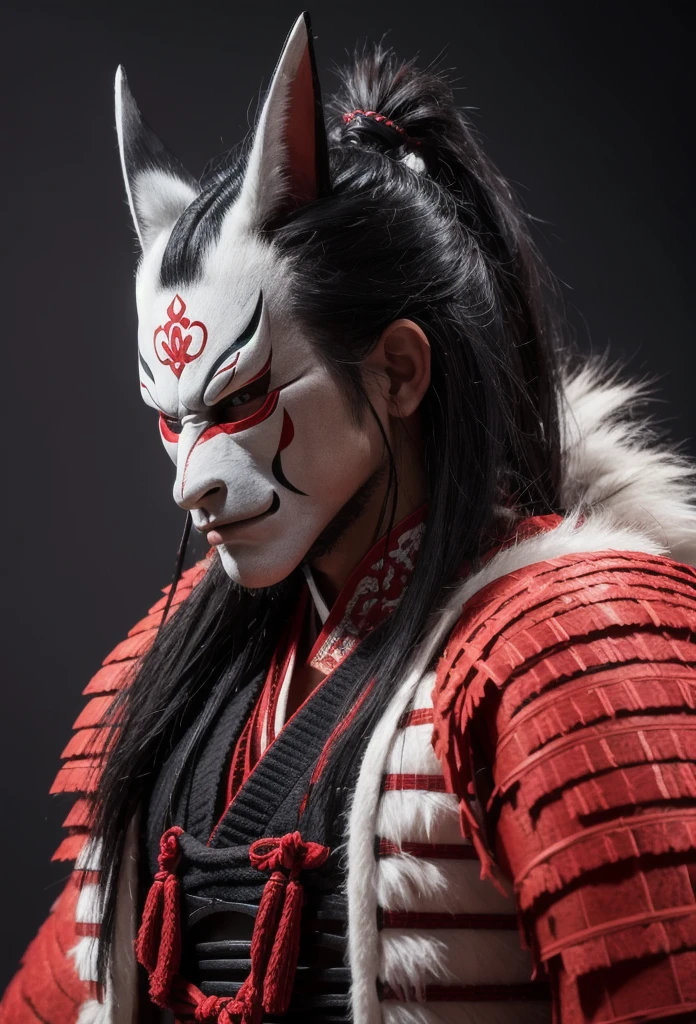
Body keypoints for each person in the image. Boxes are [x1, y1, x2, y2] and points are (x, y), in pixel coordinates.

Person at [3, 13, 696, 1024]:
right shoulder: (177, 660)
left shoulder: (575, 646)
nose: (192, 481)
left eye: (240, 401)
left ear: (400, 370)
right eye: (172, 420)